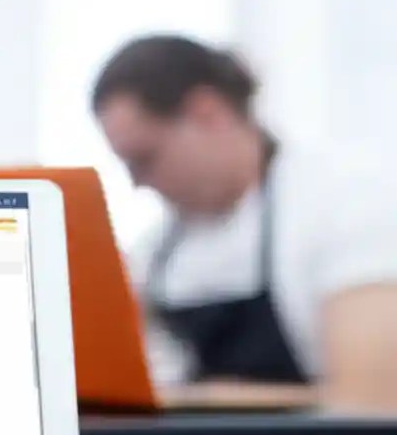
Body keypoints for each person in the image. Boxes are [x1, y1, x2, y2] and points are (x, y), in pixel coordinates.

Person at [92, 35, 397, 411]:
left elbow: (372, 404)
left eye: (145, 158)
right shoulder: (154, 254)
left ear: (209, 113)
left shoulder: (352, 206)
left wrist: (211, 398)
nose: (137, 183)